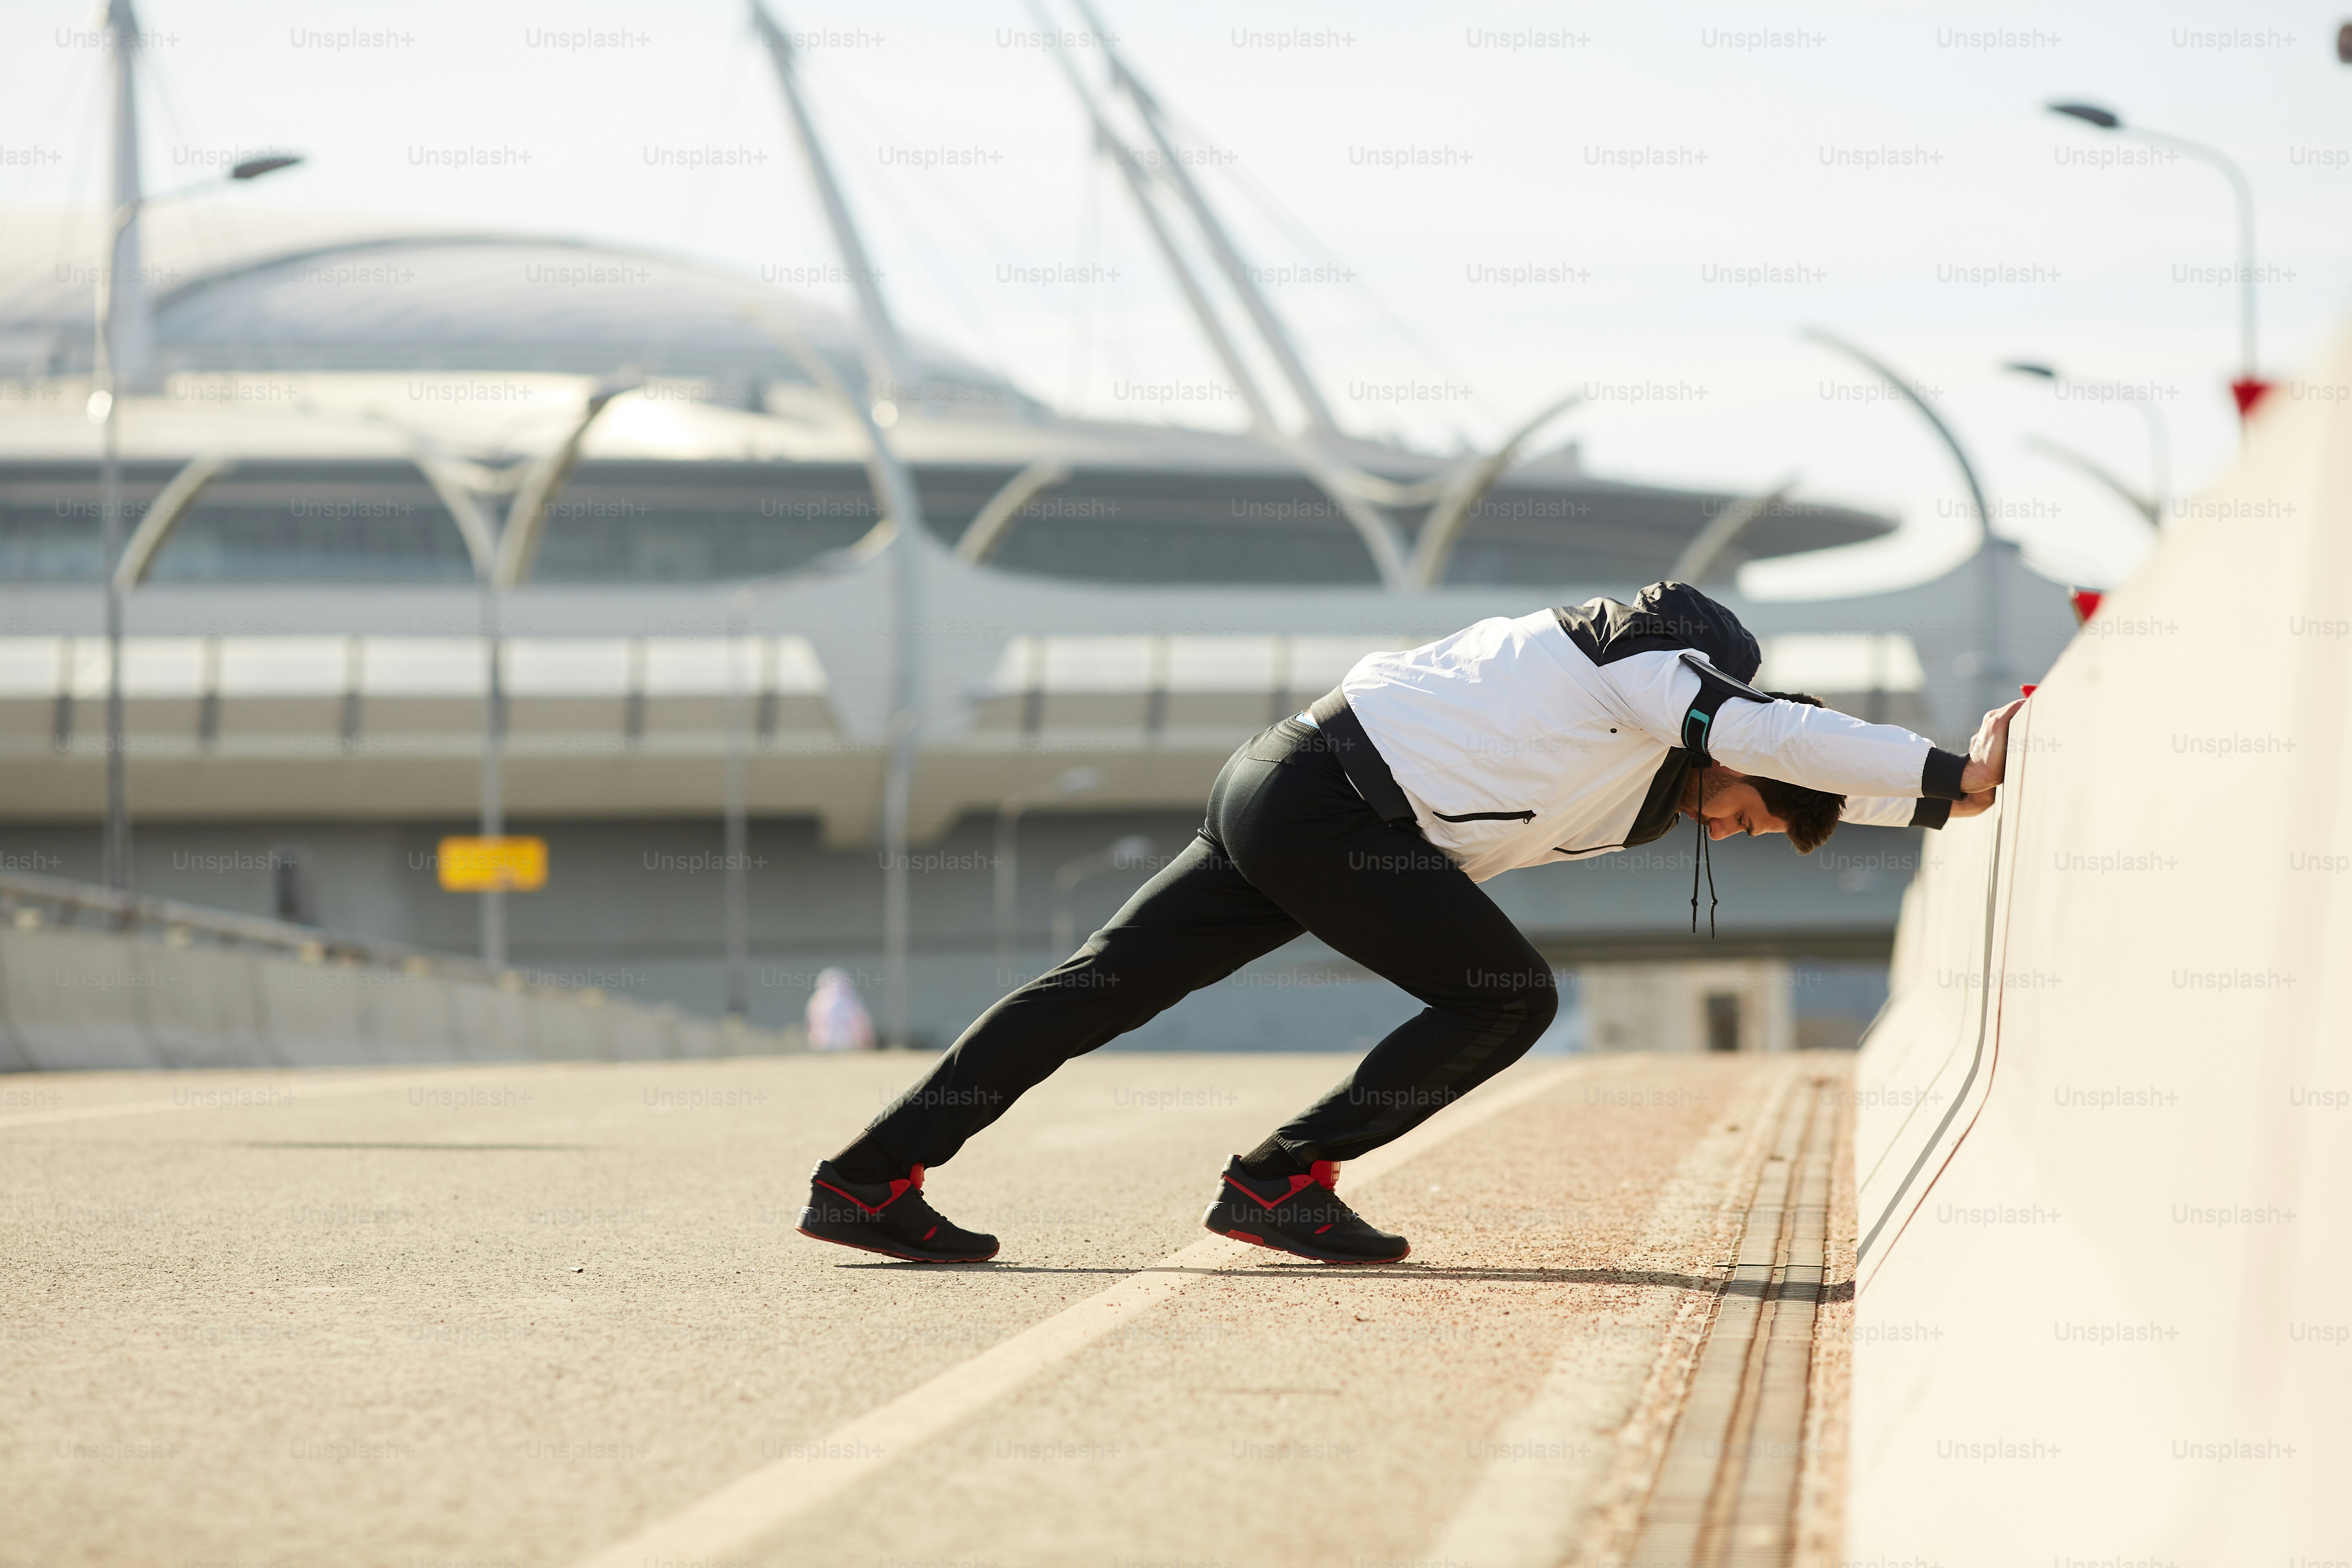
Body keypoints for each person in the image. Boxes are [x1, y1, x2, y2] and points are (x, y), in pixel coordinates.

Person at [798, 586, 2021, 1264]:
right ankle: (1282, 1181)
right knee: (1508, 995)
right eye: (1756, 819)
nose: (1737, 830)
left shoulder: (1640, 758)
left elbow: (1796, 768)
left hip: (1289, 781)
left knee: (1099, 986)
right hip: (1330, 803)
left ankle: (866, 1178)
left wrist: (1922, 811)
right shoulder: (1652, 668)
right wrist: (1952, 774)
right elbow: (1778, 739)